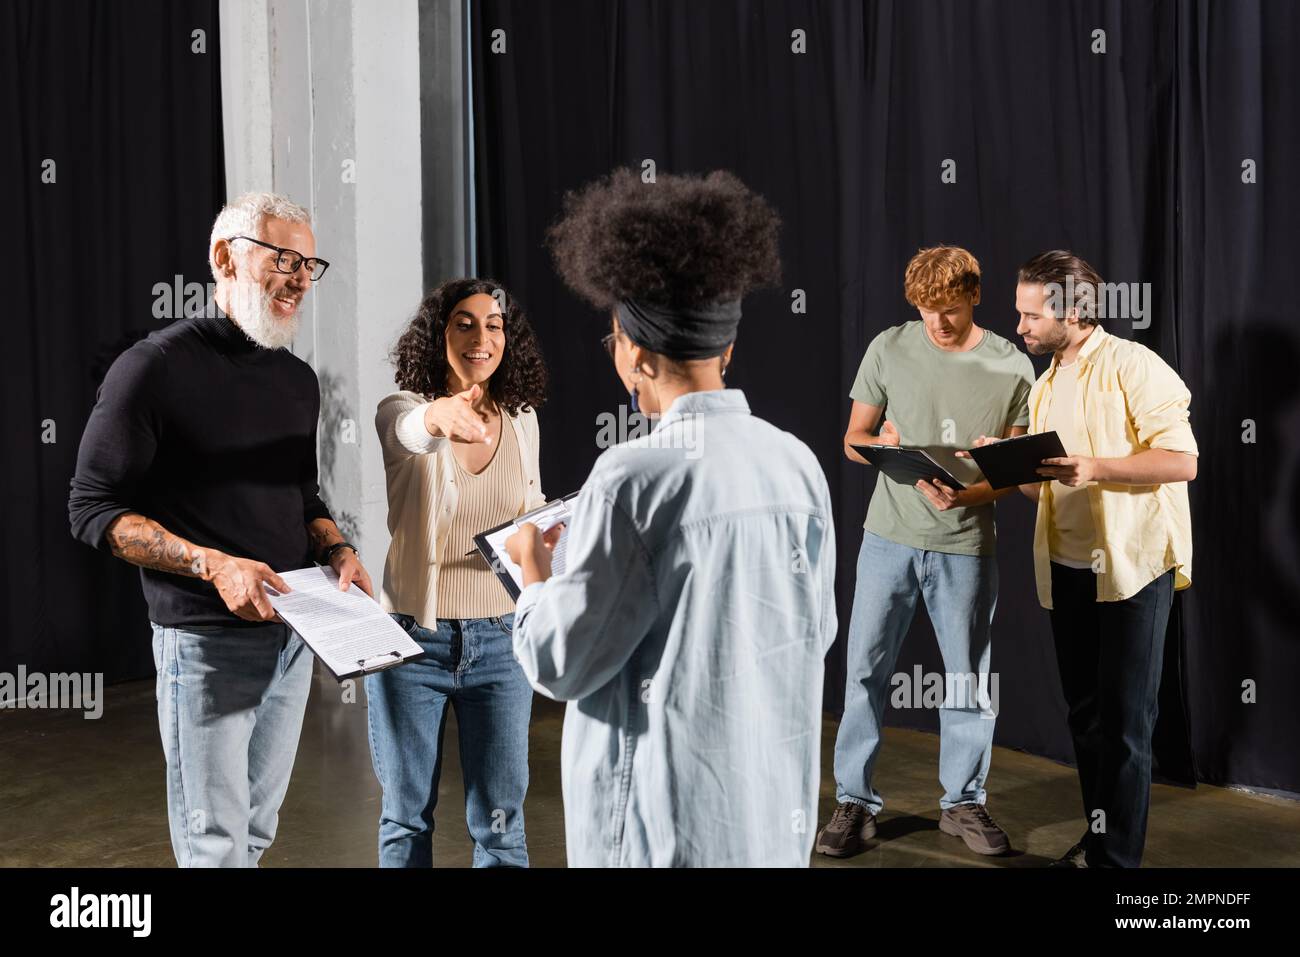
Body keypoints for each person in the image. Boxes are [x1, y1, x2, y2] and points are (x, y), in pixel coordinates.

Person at [503, 168, 837, 867]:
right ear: (728, 347)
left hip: (659, 825)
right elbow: (813, 629)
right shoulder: (795, 462)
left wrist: (536, 575)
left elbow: (562, 660)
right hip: (767, 817)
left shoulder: (631, 476)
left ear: (633, 351)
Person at [68, 191, 373, 867]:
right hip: (204, 645)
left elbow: (300, 493)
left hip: (293, 634)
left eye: (310, 263)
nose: (300, 276)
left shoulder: (297, 380)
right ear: (223, 257)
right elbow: (90, 507)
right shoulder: (153, 368)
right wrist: (215, 564)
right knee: (215, 849)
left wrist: (340, 549)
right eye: (284, 258)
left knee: (252, 838)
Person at [816, 245, 1034, 859]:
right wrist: (882, 446)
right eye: (925, 308)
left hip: (966, 544)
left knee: (968, 678)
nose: (937, 320)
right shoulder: (889, 346)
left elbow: (1017, 471)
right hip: (888, 537)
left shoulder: (1012, 366)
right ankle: (854, 801)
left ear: (975, 295)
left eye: (950, 307)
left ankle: (963, 801)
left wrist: (971, 494)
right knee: (865, 670)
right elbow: (854, 440)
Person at [1000, 250, 1197, 867]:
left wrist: (1097, 468)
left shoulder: (1135, 365)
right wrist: (1009, 462)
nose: (1021, 328)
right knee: (1085, 717)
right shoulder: (1046, 384)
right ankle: (1098, 839)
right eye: (1020, 314)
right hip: (1067, 567)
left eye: (1031, 316)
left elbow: (1182, 461)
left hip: (1133, 569)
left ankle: (1117, 867)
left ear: (1075, 310)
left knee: (1127, 727)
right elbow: (1044, 488)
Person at [368, 278, 549, 867]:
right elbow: (411, 433)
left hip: (502, 641)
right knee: (406, 816)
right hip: (410, 641)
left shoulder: (522, 420)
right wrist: (440, 417)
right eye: (464, 323)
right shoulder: (402, 408)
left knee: (500, 823)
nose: (481, 336)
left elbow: (530, 511)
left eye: (494, 324)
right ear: (438, 335)